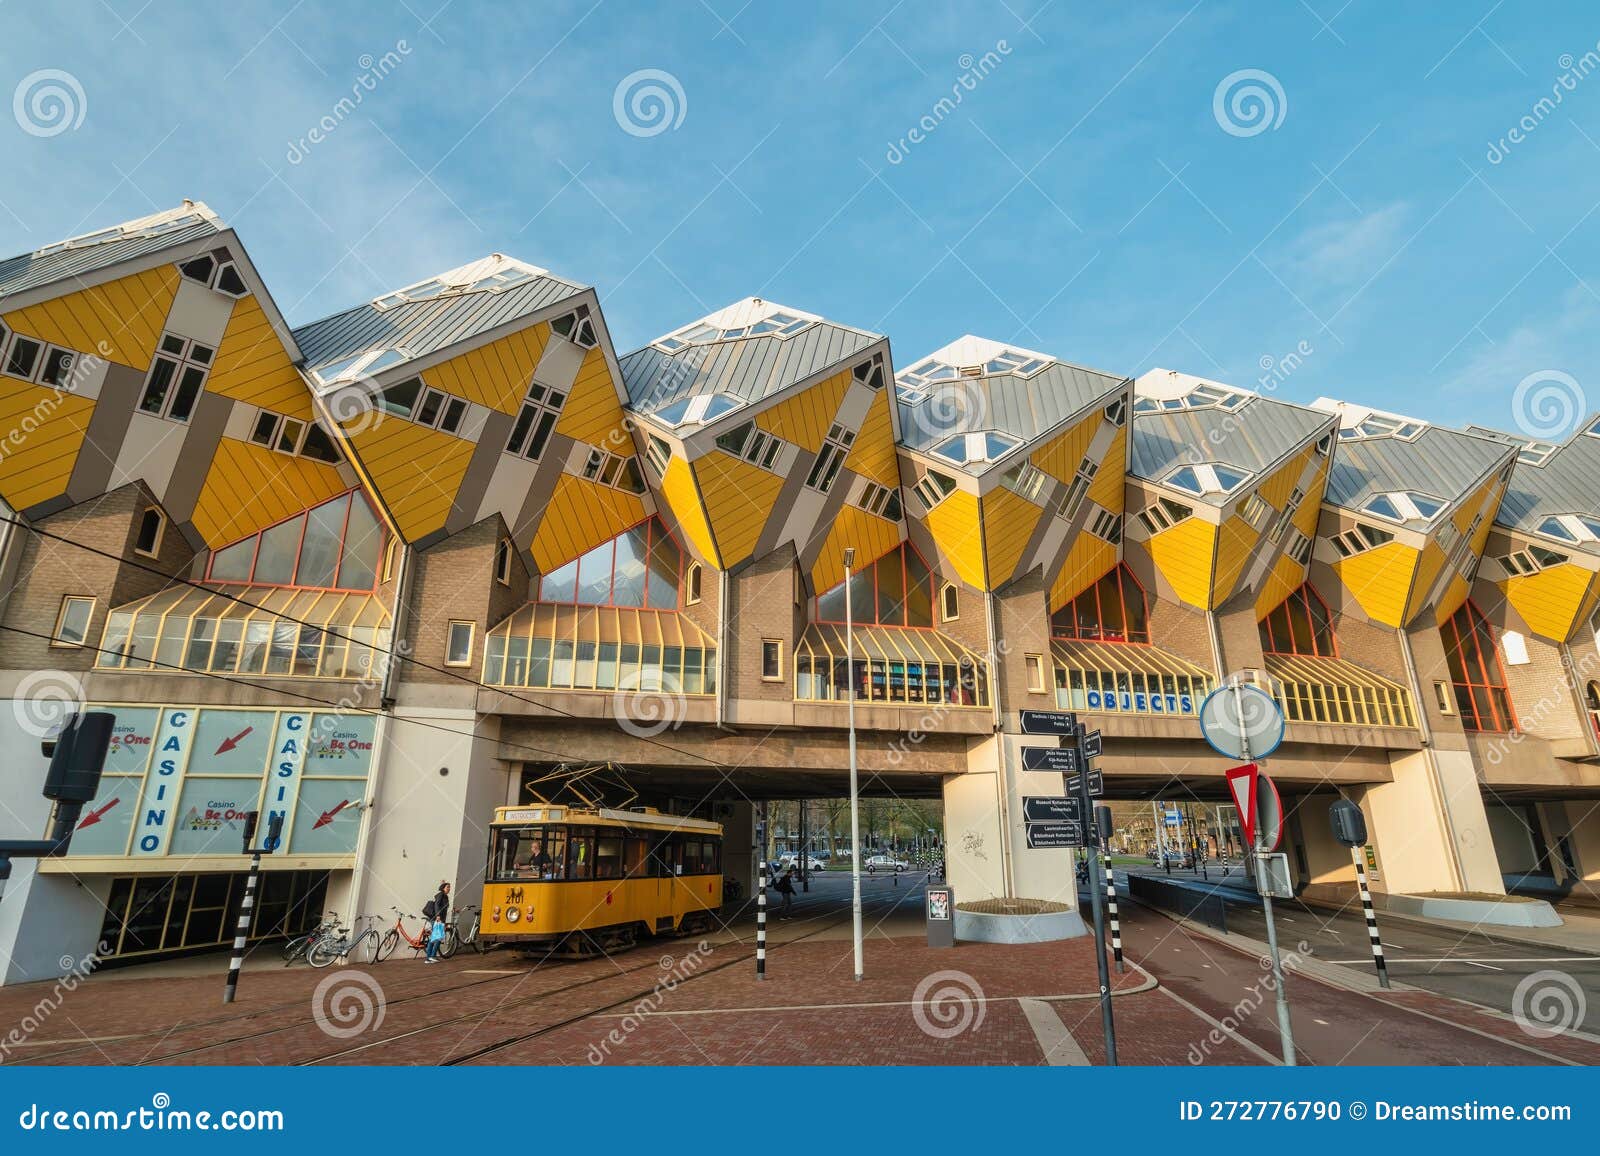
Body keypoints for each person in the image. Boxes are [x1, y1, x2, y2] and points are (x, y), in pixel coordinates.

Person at [424, 880, 450, 963]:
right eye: (447, 887)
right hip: (438, 919)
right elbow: (437, 905)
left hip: (439, 919)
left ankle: (428, 958)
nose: (449, 889)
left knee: (433, 938)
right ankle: (432, 956)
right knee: (437, 938)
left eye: (449, 887)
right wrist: (438, 916)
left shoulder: (444, 896)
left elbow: (444, 907)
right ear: (443, 888)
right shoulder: (441, 895)